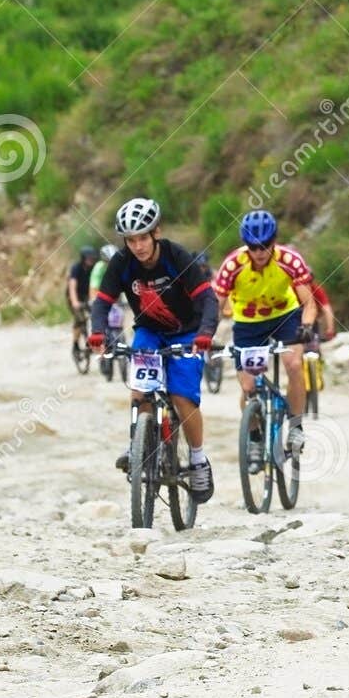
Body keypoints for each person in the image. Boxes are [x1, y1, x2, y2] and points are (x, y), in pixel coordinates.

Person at [88, 198, 218, 504]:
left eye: (143, 237)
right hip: (149, 332)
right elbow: (102, 302)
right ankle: (140, 447)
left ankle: (198, 460)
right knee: (139, 390)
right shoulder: (122, 262)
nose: (138, 246)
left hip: (187, 332)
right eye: (131, 240)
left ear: (155, 232)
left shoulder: (177, 256)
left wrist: (205, 333)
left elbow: (208, 299)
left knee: (182, 397)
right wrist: (97, 331)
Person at [211, 210, 317, 470]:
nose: (259, 252)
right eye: (253, 247)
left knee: (293, 364)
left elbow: (309, 303)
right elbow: (214, 305)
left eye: (265, 245)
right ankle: (255, 438)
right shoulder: (233, 265)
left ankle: (295, 425)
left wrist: (306, 327)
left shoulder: (290, 260)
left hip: (285, 315)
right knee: (247, 386)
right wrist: (205, 333)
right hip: (248, 322)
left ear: (275, 241)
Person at [67, 245, 99, 356]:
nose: (91, 260)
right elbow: (72, 286)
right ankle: (75, 344)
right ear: (83, 258)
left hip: (88, 295)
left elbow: (96, 284)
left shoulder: (94, 268)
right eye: (89, 258)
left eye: (92, 258)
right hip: (74, 296)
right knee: (80, 320)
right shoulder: (76, 268)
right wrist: (75, 302)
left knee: (96, 315)